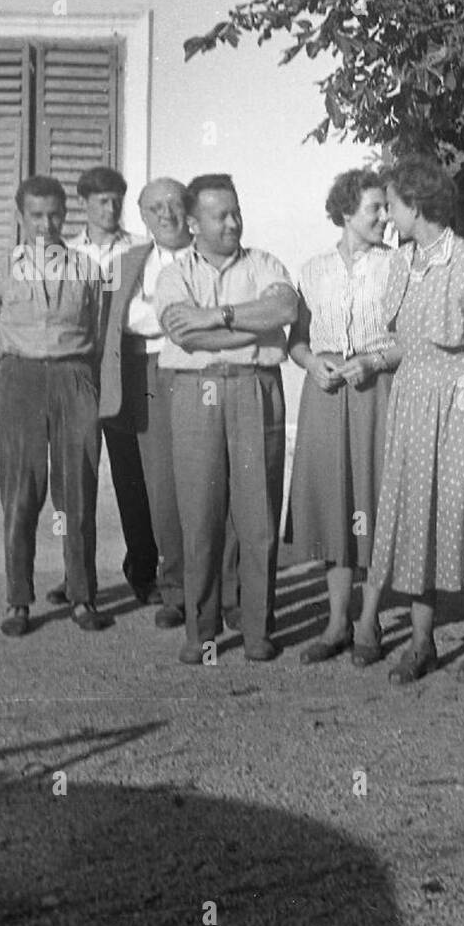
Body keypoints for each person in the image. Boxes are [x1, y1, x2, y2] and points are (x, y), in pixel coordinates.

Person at [352, 154, 464, 684]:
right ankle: (421, 644)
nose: (386, 217)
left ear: (416, 205)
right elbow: (406, 343)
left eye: (393, 206)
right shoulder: (400, 262)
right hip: (412, 396)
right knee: (412, 514)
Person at [156, 174, 299, 664]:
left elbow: (283, 306)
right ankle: (202, 633)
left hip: (254, 390)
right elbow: (181, 333)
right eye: (222, 216)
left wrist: (215, 317)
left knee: (258, 515)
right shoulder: (175, 274)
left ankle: (258, 629)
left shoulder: (264, 263)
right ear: (193, 223)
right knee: (200, 516)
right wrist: (249, 325)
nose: (234, 222)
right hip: (196, 392)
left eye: (237, 212)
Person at [0, 176, 111, 636]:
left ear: (65, 215)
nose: (45, 224)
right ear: (20, 216)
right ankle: (18, 600)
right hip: (20, 379)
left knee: (77, 489)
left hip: (74, 376)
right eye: (35, 215)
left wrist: (82, 383)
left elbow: (98, 331)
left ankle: (82, 595)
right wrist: (5, 393)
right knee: (20, 492)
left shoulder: (88, 268)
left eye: (54, 214)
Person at [288, 169, 401, 663]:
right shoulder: (312, 270)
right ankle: (336, 622)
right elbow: (295, 340)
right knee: (336, 504)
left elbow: (411, 339)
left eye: (385, 207)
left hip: (378, 389)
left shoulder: (398, 267)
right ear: (346, 212)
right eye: (375, 208)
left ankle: (368, 620)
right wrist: (313, 363)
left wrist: (374, 360)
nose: (384, 216)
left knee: (373, 500)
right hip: (328, 394)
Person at [53, 165, 158, 608]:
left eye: (116, 200)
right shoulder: (64, 252)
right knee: (73, 478)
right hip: (76, 370)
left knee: (131, 475)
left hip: (126, 369)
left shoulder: (140, 249)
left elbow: (148, 308)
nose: (110, 208)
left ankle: (143, 570)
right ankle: (74, 574)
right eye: (101, 201)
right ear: (84, 204)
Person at [98, 177, 194, 629]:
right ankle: (142, 571)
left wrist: (155, 316)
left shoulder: (201, 257)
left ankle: (179, 583)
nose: (167, 214)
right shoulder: (129, 260)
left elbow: (174, 322)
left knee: (167, 481)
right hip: (125, 374)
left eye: (174, 204)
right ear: (142, 217)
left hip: (171, 370)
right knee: (130, 479)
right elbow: (111, 320)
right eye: (155, 207)